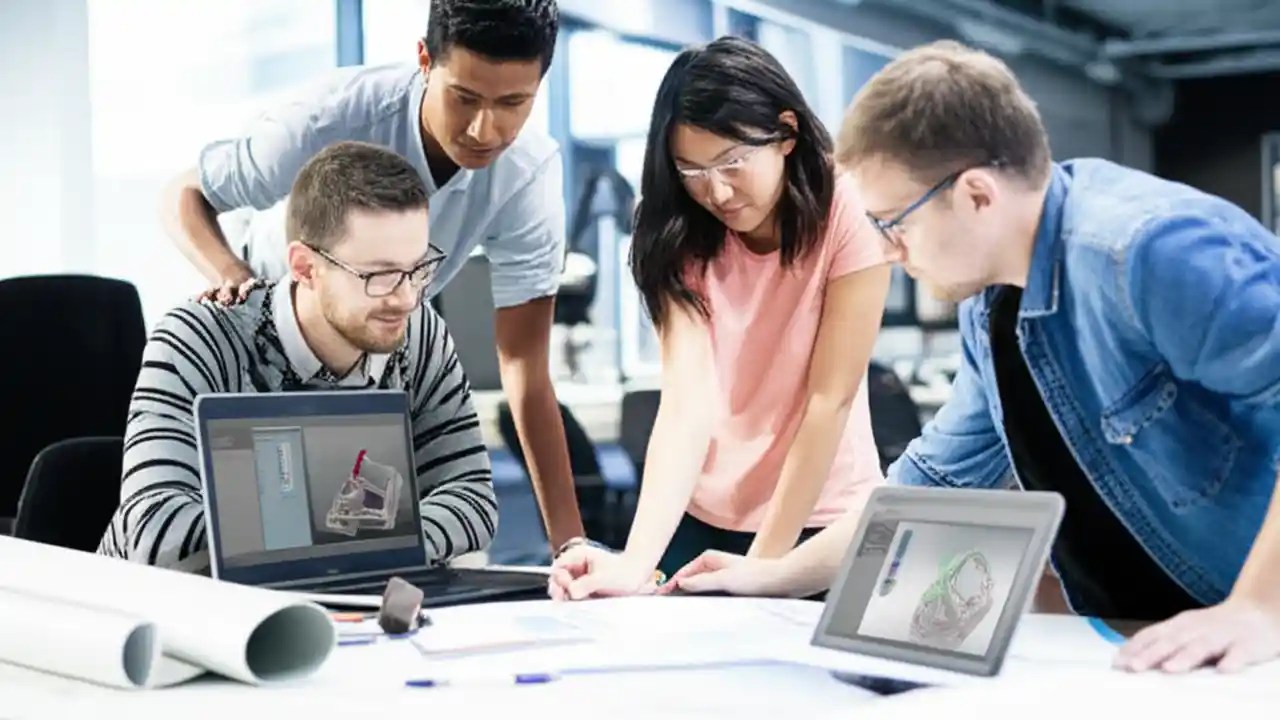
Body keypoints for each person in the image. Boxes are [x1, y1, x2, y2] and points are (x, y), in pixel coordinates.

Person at [658, 40, 1280, 674]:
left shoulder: (1144, 250)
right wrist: (773, 575)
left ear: (977, 195)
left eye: (893, 222)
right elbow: (929, 487)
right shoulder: (991, 313)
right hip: (1158, 640)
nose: (891, 251)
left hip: (1252, 637)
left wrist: (1263, 607)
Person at [160, 0, 586, 551]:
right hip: (261, 341)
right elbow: (183, 194)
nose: (486, 128)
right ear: (424, 60)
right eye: (465, 97)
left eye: (513, 102)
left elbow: (525, 370)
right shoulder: (326, 118)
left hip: (373, 356)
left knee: (362, 544)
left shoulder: (527, 174)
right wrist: (234, 277)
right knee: (247, 543)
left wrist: (570, 545)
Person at [547, 36, 891, 600]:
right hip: (703, 516)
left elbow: (829, 400)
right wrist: (636, 563)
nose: (717, 191)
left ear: (785, 133)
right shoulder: (674, 230)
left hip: (822, 522)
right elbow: (687, 406)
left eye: (732, 162)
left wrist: (765, 568)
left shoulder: (846, 208)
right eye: (692, 169)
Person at [98, 141, 496, 572]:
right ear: (305, 267)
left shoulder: (418, 334)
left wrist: (345, 539)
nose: (406, 298)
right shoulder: (200, 337)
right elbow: (156, 531)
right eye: (379, 275)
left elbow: (471, 497)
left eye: (417, 269)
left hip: (340, 607)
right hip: (173, 616)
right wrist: (372, 533)